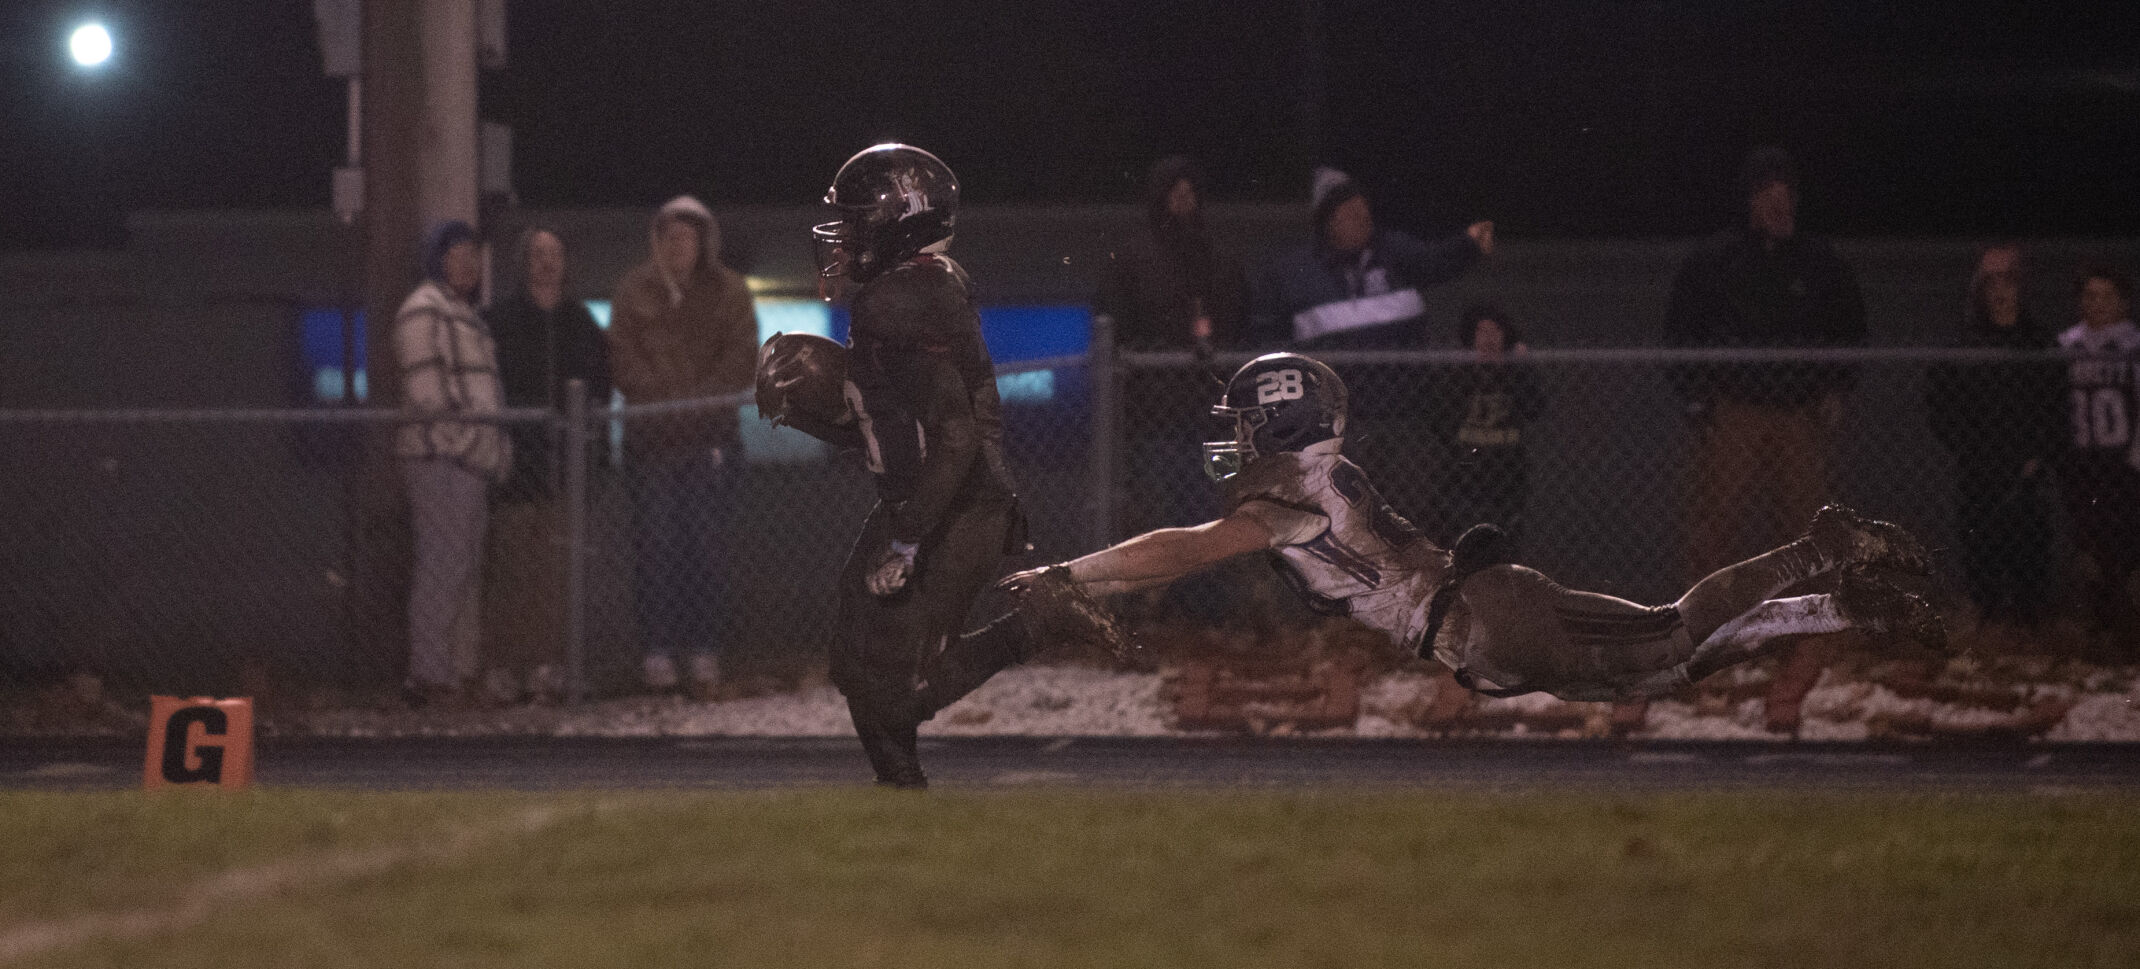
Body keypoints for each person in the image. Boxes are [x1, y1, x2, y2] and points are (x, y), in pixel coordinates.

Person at [1000, 353, 1941, 707]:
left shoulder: (1290, 492)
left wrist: (1069, 573)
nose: (1233, 435)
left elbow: (1182, 547)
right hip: (1476, 630)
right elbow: (1193, 536)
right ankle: (1845, 605)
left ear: (1279, 426)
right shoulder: (1305, 476)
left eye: (1245, 419)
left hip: (1493, 617)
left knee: (1672, 630)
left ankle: (1821, 546)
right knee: (1671, 668)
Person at [768, 144, 1121, 789]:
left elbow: (954, 438)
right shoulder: (912, 289)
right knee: (855, 663)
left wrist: (907, 541)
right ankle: (900, 799)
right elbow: (894, 430)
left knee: (896, 687)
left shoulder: (902, 299)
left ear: (897, 220)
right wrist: (811, 415)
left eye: (853, 221)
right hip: (926, 495)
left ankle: (1039, 621)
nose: (841, 237)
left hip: (958, 503)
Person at [1662, 145, 1867, 734]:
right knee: (1715, 526)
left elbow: (1850, 328)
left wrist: (1835, 387)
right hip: (1735, 411)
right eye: (1768, 195)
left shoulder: (1820, 263)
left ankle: (1808, 638)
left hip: (1797, 413)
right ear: (1751, 201)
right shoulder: (1716, 263)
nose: (1779, 206)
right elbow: (1681, 332)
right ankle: (1705, 636)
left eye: (1788, 196)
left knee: (1809, 530)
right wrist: (1698, 396)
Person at [608, 195, 759, 699]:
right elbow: (624, 361)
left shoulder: (730, 292)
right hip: (652, 445)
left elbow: (741, 360)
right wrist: (666, 404)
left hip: (710, 442)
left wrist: (696, 407)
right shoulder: (633, 291)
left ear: (703, 242)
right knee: (656, 545)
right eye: (670, 237)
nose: (680, 247)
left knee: (705, 545)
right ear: (657, 240)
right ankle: (656, 650)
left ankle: (703, 648)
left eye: (688, 238)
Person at [1095, 156, 1255, 626]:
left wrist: (1214, 346)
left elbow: (1239, 317)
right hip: (1158, 414)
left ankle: (1208, 607)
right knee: (1163, 509)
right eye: (1175, 192)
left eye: (1191, 192)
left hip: (1213, 415)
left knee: (1212, 503)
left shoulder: (1217, 256)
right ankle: (1163, 610)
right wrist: (1156, 352)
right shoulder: (1136, 257)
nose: (1184, 201)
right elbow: (1115, 321)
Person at [481, 227, 612, 704]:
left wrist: (595, 458)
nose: (546, 262)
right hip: (516, 467)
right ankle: (502, 667)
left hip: (566, 470)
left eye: (554, 254)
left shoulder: (581, 324)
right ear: (525, 262)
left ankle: (546, 666)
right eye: (537, 254)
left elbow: (599, 391)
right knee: (512, 570)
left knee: (555, 576)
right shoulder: (500, 321)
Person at [393, 219, 510, 708]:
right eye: (457, 251)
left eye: (474, 252)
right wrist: (467, 444)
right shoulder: (424, 309)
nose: (468, 261)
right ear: (437, 257)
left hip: (468, 461)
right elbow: (428, 394)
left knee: (457, 565)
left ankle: (443, 672)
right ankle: (429, 676)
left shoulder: (465, 314)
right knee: (442, 564)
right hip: (441, 458)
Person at [1923, 245, 2061, 632]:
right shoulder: (1964, 342)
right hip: (1978, 463)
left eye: (2008, 280)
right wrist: (1966, 447)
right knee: (1980, 540)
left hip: (2027, 463)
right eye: (1992, 282)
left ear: (2021, 286)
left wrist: (2040, 452)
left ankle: (2029, 622)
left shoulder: (2039, 341)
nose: (2000, 290)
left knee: (2029, 540)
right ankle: (1985, 617)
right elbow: (1940, 403)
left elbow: (2056, 401)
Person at [1247, 167, 1493, 351]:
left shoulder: (1394, 252)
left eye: (1364, 209)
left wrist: (1468, 243)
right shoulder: (1294, 274)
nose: (1364, 218)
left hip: (1406, 405)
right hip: (1330, 408)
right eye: (1351, 213)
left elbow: (1433, 261)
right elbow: (1268, 336)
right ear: (1329, 224)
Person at [2055, 263, 2140, 651]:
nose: (2098, 303)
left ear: (2123, 302)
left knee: (2125, 542)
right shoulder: (2066, 345)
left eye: (2107, 295)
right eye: (2090, 295)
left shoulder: (2132, 346)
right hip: (2083, 461)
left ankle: (2126, 627)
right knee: (2087, 544)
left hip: (2123, 461)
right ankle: (2098, 626)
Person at [1434, 303, 1544, 548]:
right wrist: (1465, 370)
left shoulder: (1514, 373)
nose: (1489, 339)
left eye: (1495, 332)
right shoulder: (1458, 373)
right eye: (1482, 332)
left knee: (1504, 536)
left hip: (1507, 468)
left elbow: (1534, 409)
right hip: (1464, 469)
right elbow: (1440, 419)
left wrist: (1519, 368)